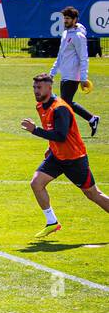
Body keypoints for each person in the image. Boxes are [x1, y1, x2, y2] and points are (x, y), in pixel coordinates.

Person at [21, 73, 109, 238]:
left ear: (49, 87)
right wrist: (50, 146)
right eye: (34, 87)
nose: (36, 91)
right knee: (36, 183)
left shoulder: (60, 108)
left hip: (74, 159)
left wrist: (35, 131)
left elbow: (61, 135)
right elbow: (52, 131)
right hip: (57, 155)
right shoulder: (41, 106)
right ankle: (52, 222)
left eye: (39, 88)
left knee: (93, 194)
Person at [50, 6, 100, 136]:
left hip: (73, 75)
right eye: (64, 18)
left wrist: (83, 78)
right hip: (65, 74)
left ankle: (65, 130)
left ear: (75, 19)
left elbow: (84, 58)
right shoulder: (66, 33)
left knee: (64, 103)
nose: (65, 21)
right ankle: (92, 119)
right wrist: (52, 73)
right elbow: (61, 55)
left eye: (68, 18)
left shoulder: (79, 36)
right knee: (67, 103)